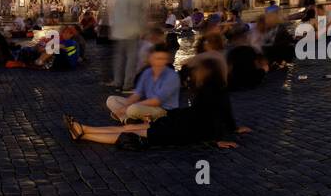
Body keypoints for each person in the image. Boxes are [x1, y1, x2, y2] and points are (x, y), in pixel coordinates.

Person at [67, 59, 249, 149]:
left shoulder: (209, 92)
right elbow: (216, 116)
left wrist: (217, 140)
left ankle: (84, 131)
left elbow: (211, 119)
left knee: (130, 133)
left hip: (178, 128)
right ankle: (84, 130)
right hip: (178, 125)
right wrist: (228, 132)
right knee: (129, 131)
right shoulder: (212, 90)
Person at [108, 0, 145, 93]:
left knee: (119, 59)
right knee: (131, 59)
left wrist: (112, 28)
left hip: (118, 31)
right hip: (131, 31)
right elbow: (139, 13)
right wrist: (141, 28)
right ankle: (128, 85)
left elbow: (111, 11)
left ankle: (117, 82)